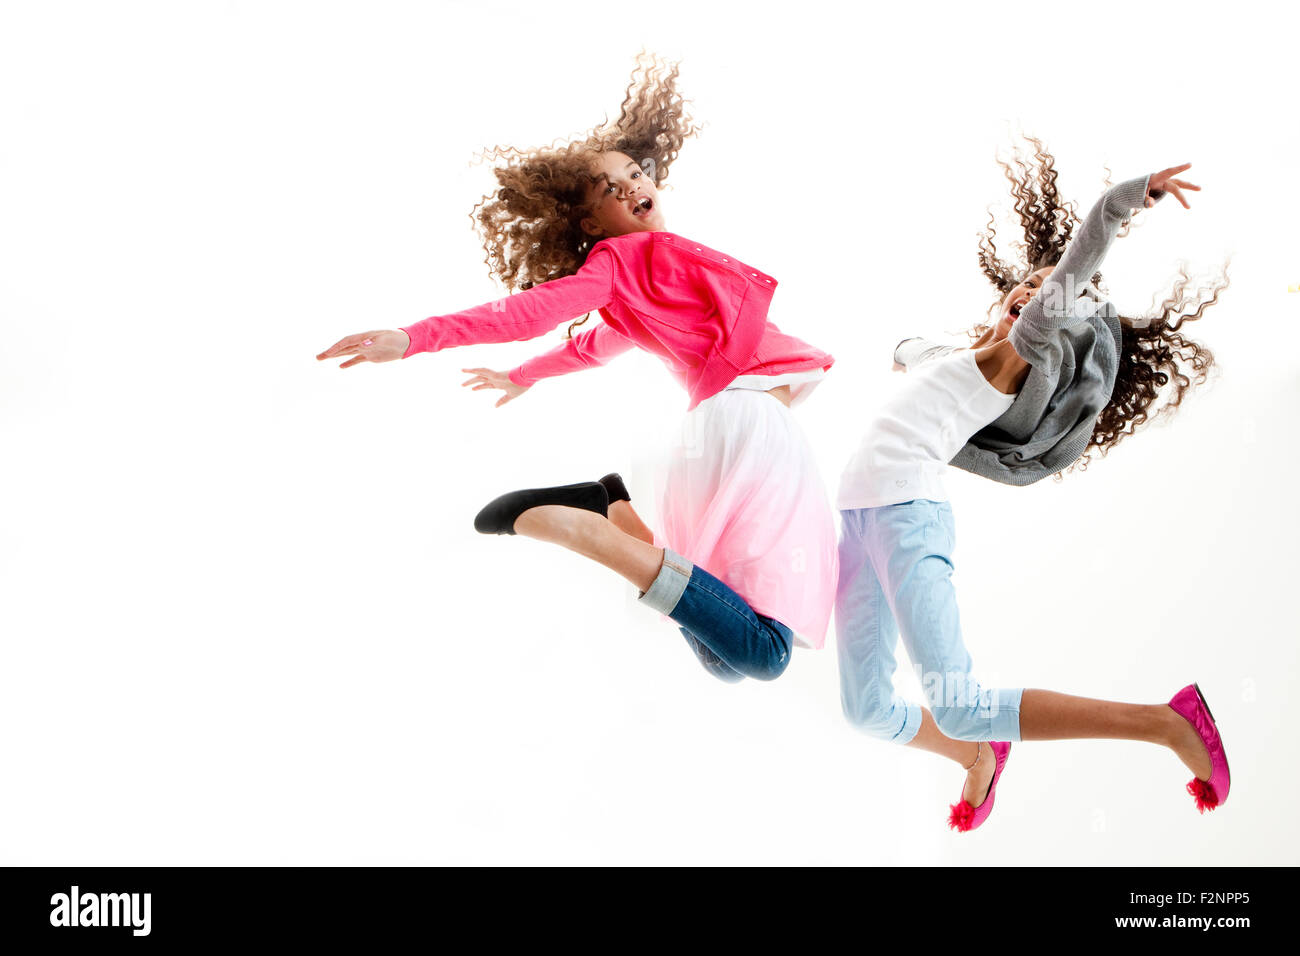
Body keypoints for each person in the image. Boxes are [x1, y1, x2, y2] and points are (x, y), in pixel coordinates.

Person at [316, 54, 837, 683]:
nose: (631, 187)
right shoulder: (618, 263)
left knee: (727, 657)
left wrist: (524, 376)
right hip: (745, 423)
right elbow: (529, 312)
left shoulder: (645, 281)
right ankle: (590, 533)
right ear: (591, 224)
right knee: (766, 651)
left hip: (723, 429)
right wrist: (414, 337)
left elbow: (592, 347)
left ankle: (613, 510)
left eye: (634, 174)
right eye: (608, 191)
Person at [834, 140, 1231, 831]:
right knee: (864, 709)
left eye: (1049, 292)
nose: (1033, 293)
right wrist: (907, 351)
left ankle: (1170, 723)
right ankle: (977, 755)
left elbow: (1083, 253)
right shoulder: (970, 356)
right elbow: (914, 350)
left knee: (957, 700)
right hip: (857, 519)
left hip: (904, 518)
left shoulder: (1028, 347)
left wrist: (1128, 196)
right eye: (1024, 285)